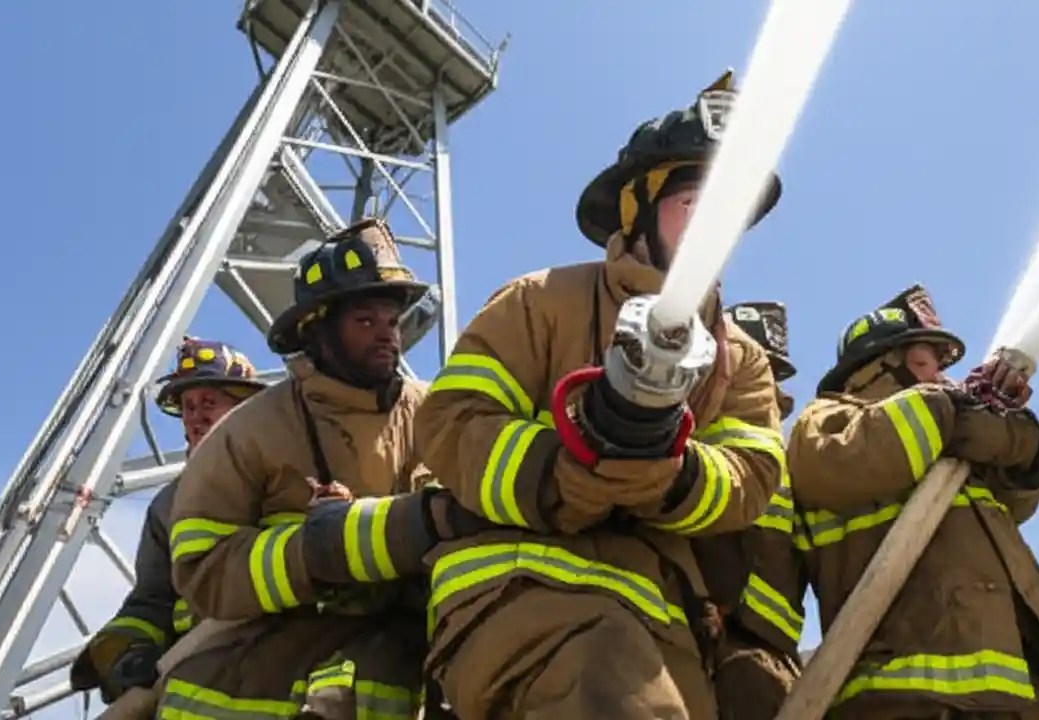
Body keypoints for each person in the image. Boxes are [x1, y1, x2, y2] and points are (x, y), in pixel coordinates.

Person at [413, 70, 787, 720]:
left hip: (662, 616)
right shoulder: (541, 301)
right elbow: (451, 426)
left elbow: (752, 475)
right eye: (695, 202)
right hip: (516, 586)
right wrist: (569, 460)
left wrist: (672, 469)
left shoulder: (739, 358)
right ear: (635, 209)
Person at [159, 217, 487, 719]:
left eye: (392, 322)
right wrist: (313, 551)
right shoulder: (250, 433)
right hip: (267, 666)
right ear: (318, 330)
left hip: (422, 650)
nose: (388, 338)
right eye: (365, 322)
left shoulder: (437, 414)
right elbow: (202, 569)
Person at [787, 285, 1039, 720]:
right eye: (924, 363)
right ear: (875, 369)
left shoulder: (951, 442)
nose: (941, 378)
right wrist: (952, 410)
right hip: (909, 703)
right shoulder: (828, 421)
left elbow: (1017, 500)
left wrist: (1018, 436)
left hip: (1026, 698)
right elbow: (842, 463)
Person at [69, 338, 267, 705]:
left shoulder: (281, 477)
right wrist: (129, 648)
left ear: (247, 410)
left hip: (278, 655)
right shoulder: (167, 505)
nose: (196, 416)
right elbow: (153, 599)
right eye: (188, 407)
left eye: (209, 402)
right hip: (198, 674)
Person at [696, 301, 807, 720]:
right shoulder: (690, 422)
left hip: (771, 651)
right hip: (710, 636)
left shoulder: (784, 449)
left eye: (772, 370)